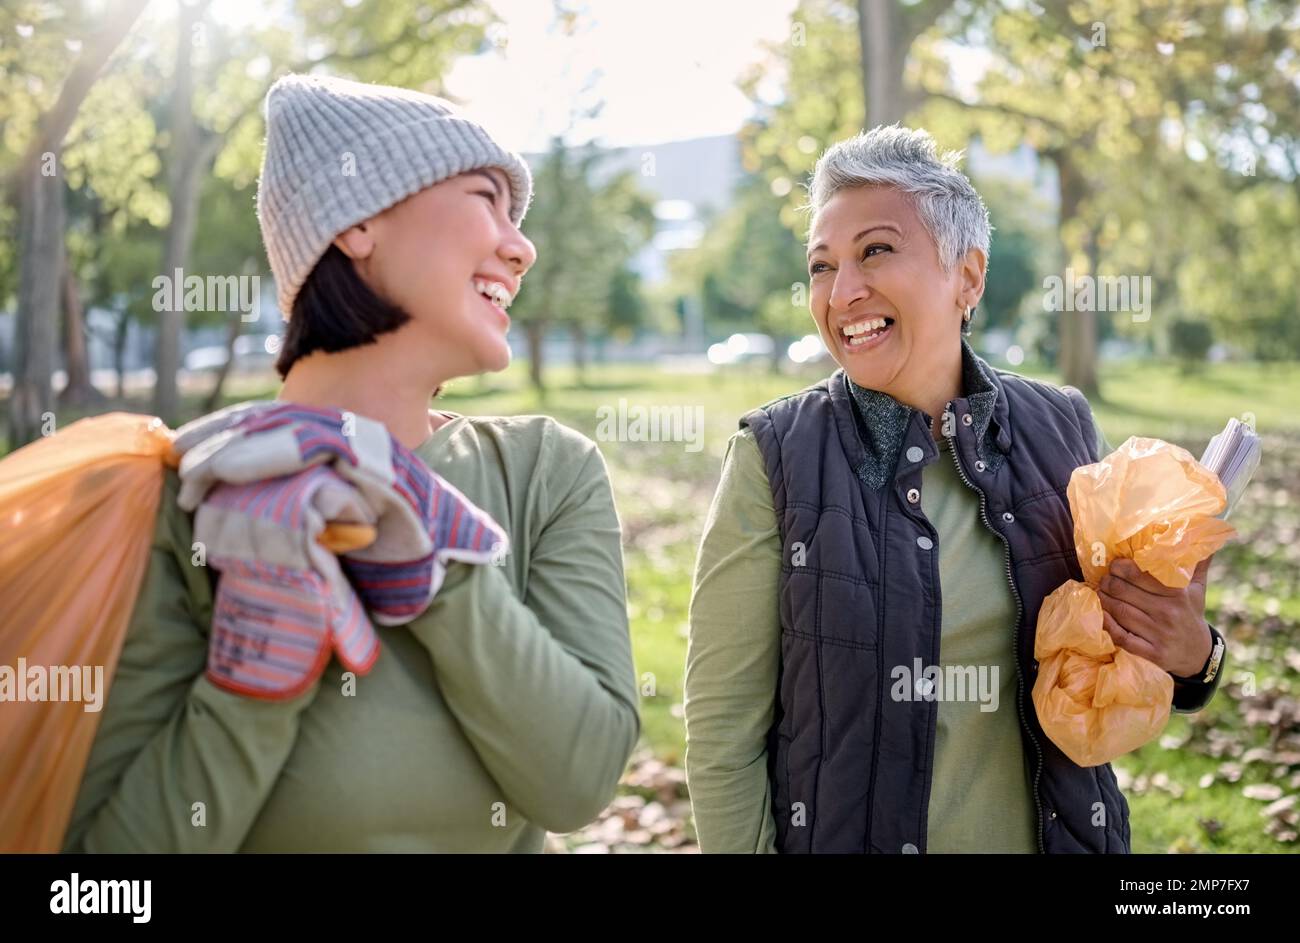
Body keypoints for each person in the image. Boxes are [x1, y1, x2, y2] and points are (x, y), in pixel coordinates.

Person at [64, 74, 639, 852]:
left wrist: (443, 564)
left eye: (519, 216)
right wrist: (250, 687)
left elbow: (578, 783)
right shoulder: (185, 495)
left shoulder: (547, 471)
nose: (523, 244)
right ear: (357, 221)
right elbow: (100, 883)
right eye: (484, 198)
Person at [684, 125, 1225, 854]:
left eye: (875, 251)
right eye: (821, 266)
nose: (843, 292)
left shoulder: (1061, 427)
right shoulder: (774, 456)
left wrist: (1194, 656)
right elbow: (721, 733)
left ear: (967, 276)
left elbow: (1118, 669)